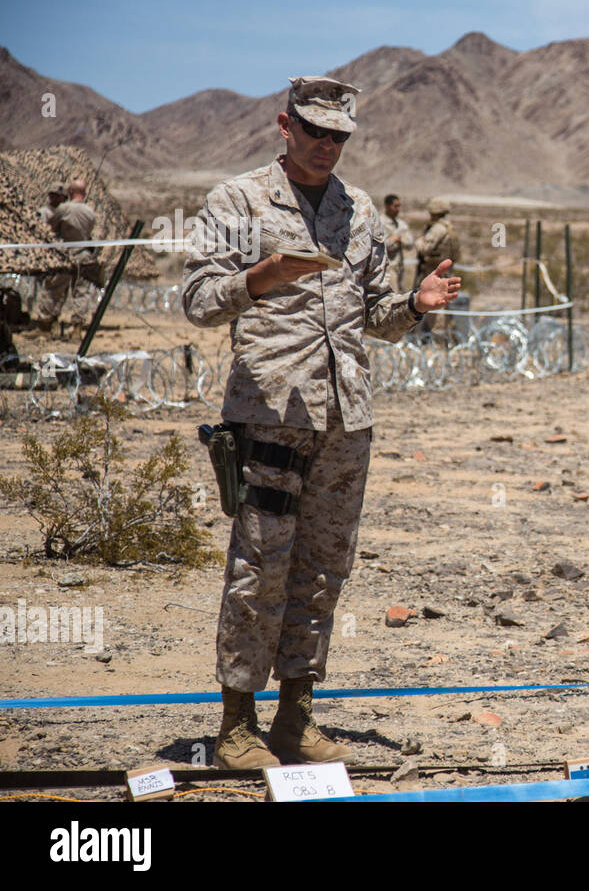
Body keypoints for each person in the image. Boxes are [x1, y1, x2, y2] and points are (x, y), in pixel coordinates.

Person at [182, 76, 461, 769]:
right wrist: (261, 277)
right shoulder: (239, 201)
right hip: (272, 412)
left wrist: (417, 306)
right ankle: (236, 729)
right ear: (285, 125)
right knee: (259, 568)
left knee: (321, 570)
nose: (328, 145)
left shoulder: (356, 209)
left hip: (345, 417)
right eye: (316, 132)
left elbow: (374, 314)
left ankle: (295, 720)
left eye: (340, 135)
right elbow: (196, 299)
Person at [33, 179, 99, 335]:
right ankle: (77, 329)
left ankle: (45, 326)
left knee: (53, 288)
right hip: (84, 255)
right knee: (81, 292)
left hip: (65, 254)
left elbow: (51, 226)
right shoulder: (91, 212)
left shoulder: (64, 209)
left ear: (70, 192)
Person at [415, 197, 462, 335]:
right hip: (447, 273)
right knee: (444, 306)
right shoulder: (450, 228)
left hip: (434, 272)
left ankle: (434, 338)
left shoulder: (438, 229)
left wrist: (419, 241)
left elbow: (424, 248)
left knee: (434, 307)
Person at [380, 194, 411, 291]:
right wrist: (393, 239)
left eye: (399, 206)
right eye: (395, 206)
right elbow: (383, 244)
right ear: (387, 206)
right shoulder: (380, 222)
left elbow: (409, 242)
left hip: (399, 266)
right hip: (387, 268)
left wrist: (397, 239)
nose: (398, 209)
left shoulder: (401, 224)